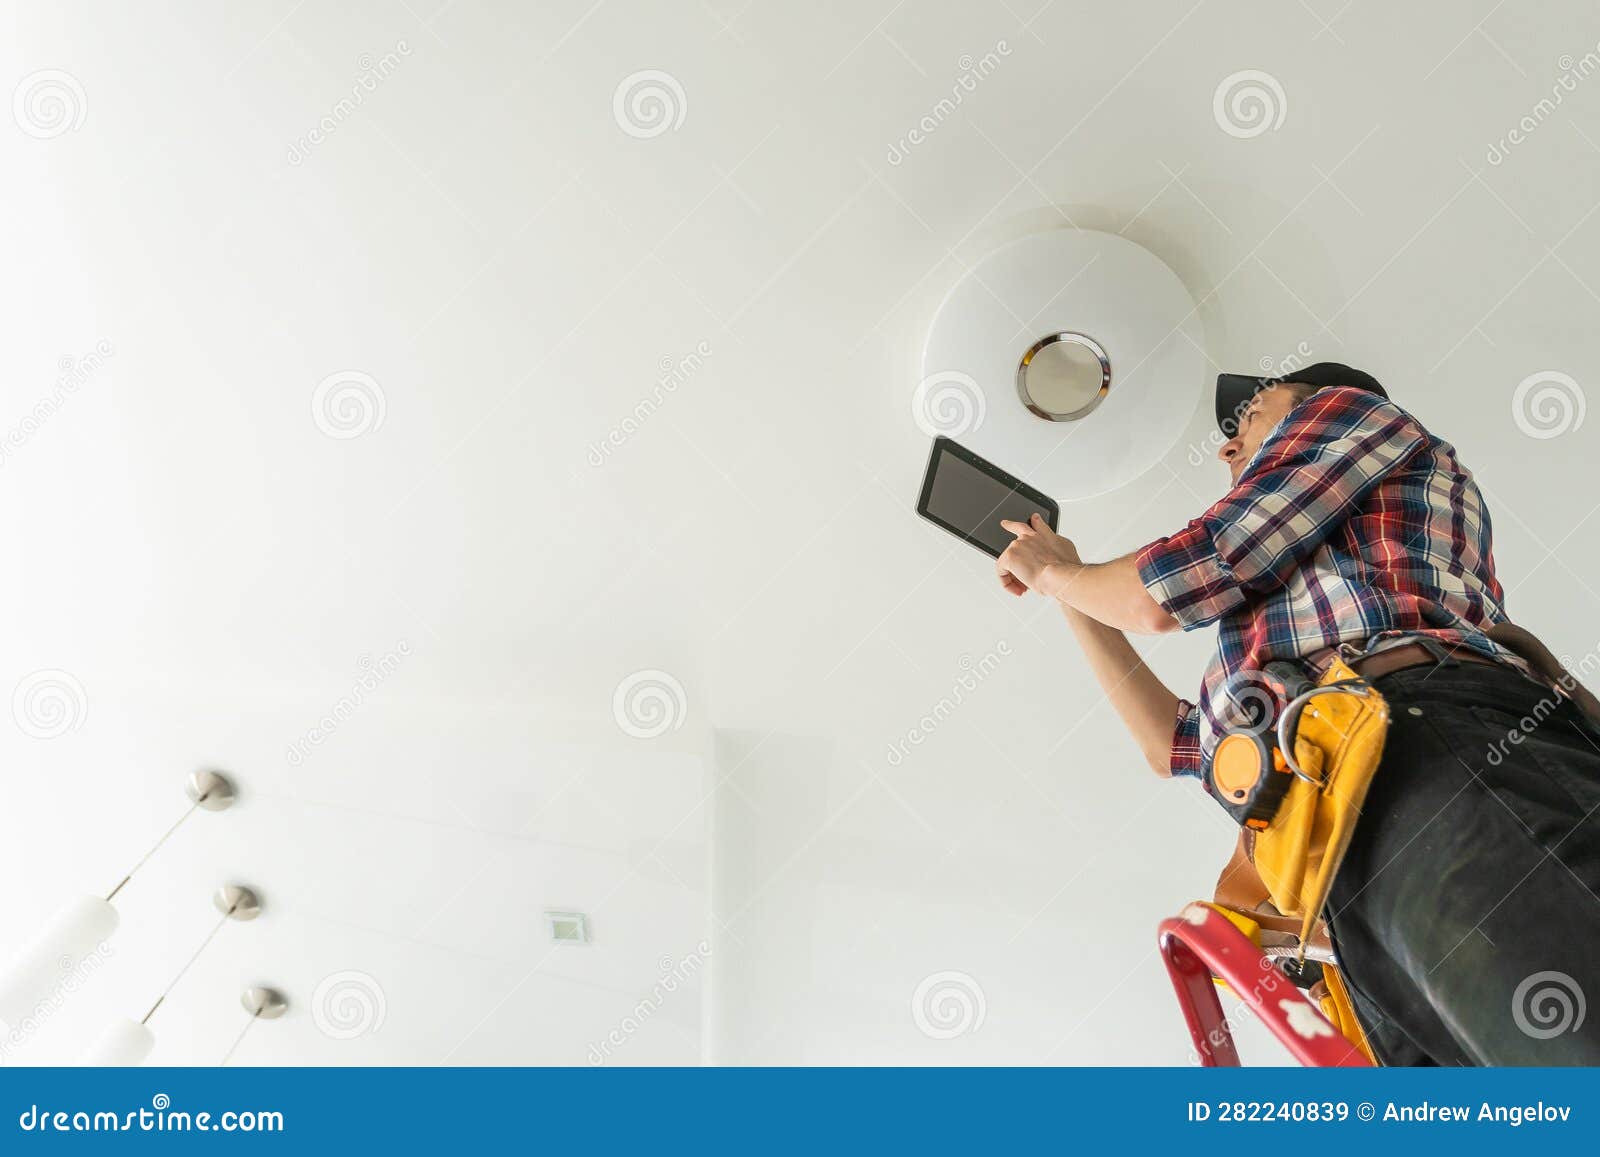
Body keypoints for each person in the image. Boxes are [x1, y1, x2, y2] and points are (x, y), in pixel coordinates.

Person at [995, 362, 1600, 1066]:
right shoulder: (1280, 625)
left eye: (1248, 415)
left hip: (1419, 745)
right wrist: (1066, 586)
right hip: (1337, 854)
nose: (1227, 446)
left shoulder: (1353, 415)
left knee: (1559, 1039)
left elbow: (1179, 583)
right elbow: (1171, 743)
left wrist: (1054, 572)